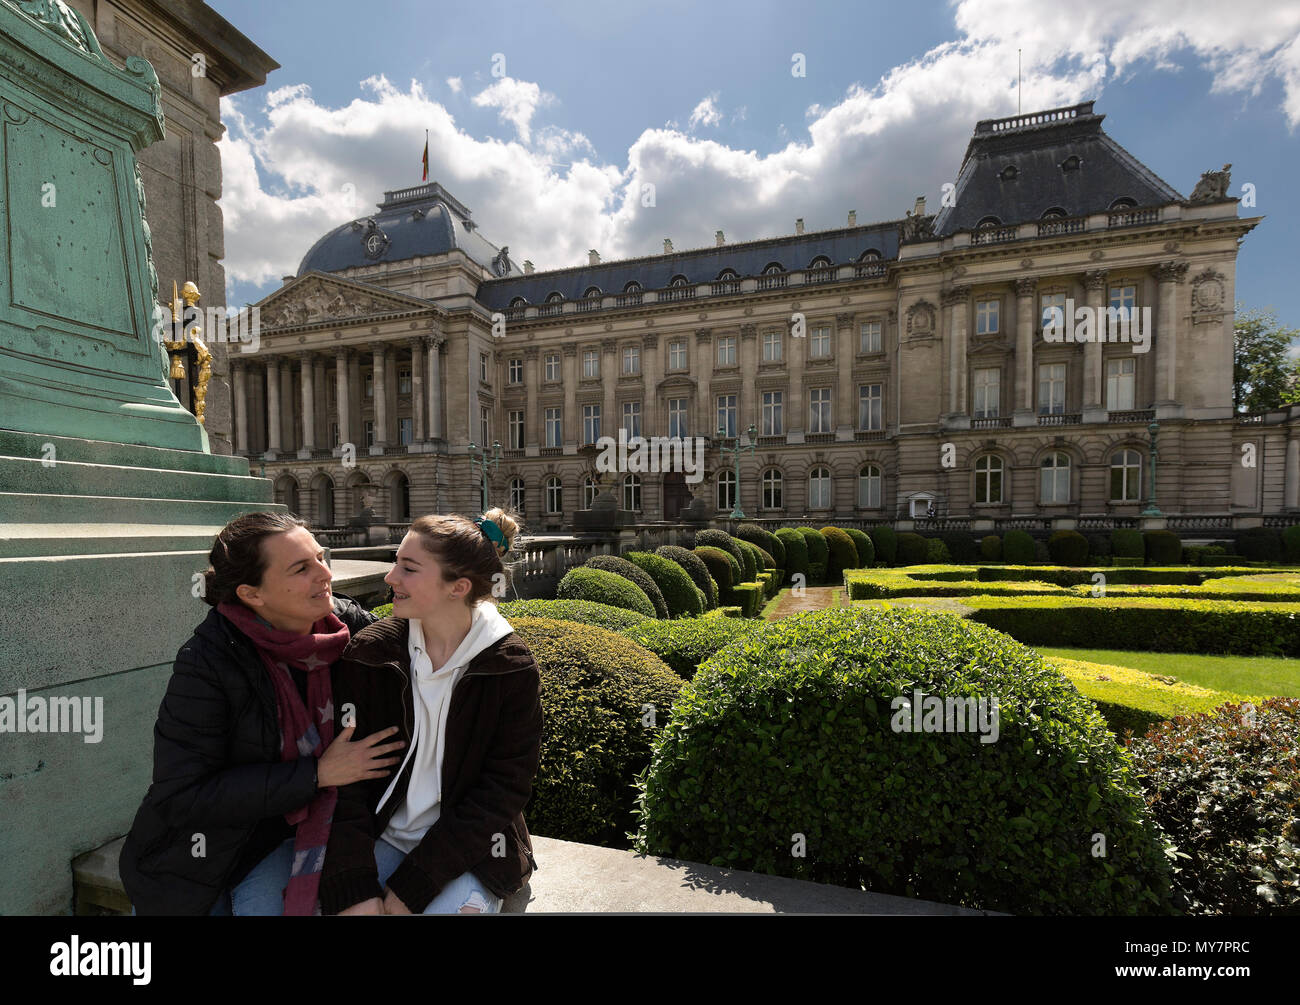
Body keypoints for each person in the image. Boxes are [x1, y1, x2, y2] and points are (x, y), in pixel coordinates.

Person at [119, 512, 406, 915]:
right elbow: (182, 794)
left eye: (321, 557)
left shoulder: (347, 626)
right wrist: (317, 774)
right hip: (204, 854)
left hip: (307, 832)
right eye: (301, 568)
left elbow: (433, 653)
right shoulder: (208, 661)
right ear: (252, 595)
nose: (324, 573)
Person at [320, 508, 543, 915]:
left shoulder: (509, 666)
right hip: (378, 837)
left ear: (456, 587)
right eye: (395, 563)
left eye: (408, 568)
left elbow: (503, 790)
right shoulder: (371, 653)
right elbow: (346, 785)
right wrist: (353, 885)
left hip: (466, 852)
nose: (390, 578)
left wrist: (413, 887)